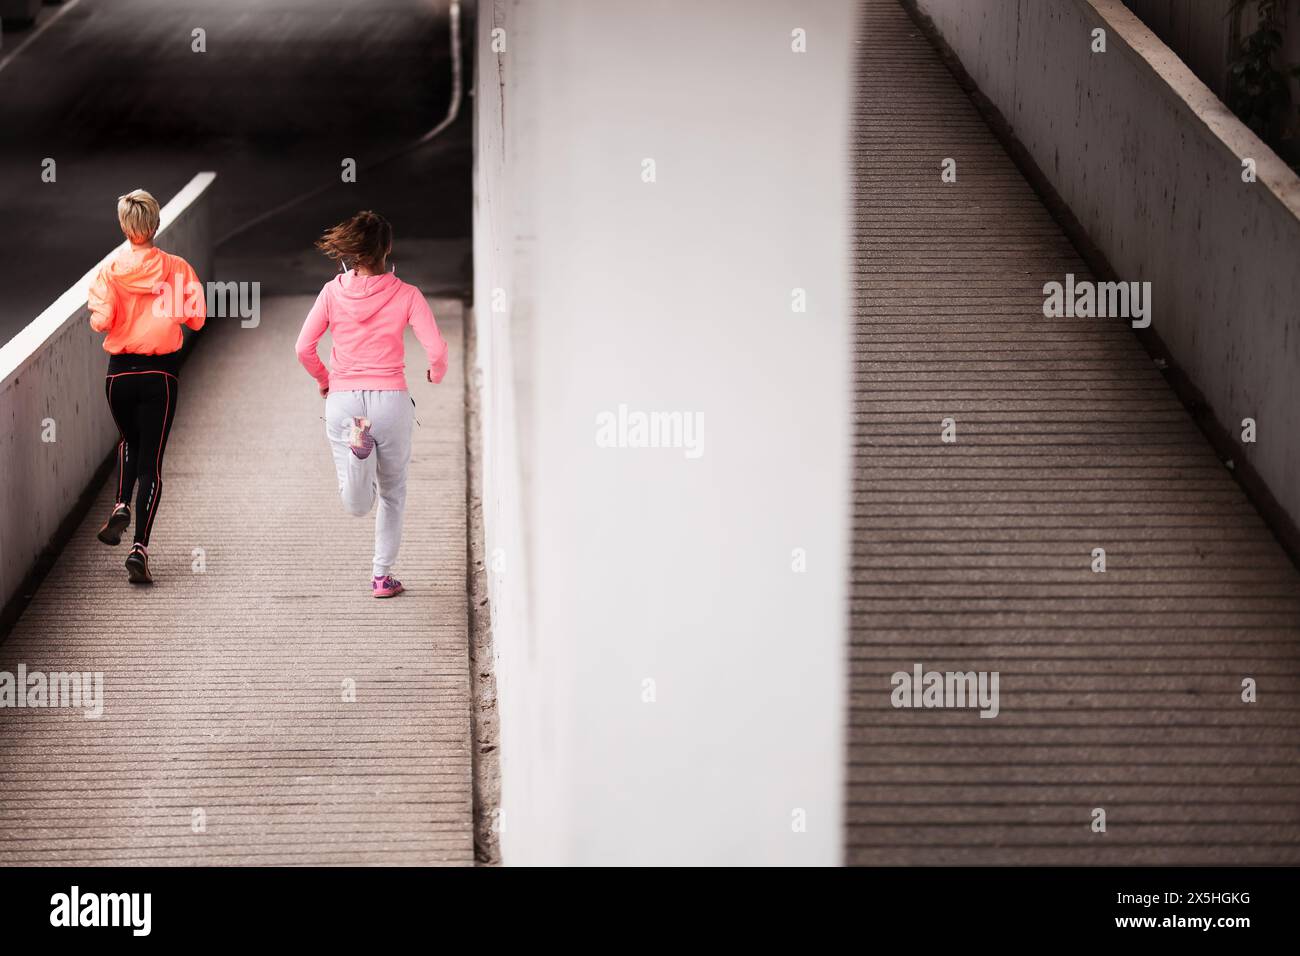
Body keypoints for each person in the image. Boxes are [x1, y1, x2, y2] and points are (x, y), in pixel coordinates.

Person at [295, 211, 448, 597]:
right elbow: (436, 348)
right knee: (393, 492)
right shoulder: (407, 294)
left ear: (353, 252)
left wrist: (324, 379)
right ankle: (382, 576)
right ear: (387, 249)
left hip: (344, 400)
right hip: (391, 401)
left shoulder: (332, 292)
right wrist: (435, 372)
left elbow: (303, 348)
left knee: (357, 501)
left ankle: (358, 456)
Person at [88, 189, 205, 584]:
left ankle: (120, 503)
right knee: (150, 462)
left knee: (128, 441)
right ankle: (139, 548)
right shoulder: (175, 268)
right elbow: (196, 319)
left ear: (124, 225)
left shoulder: (111, 270)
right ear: (155, 224)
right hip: (160, 375)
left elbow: (100, 322)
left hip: (118, 374)